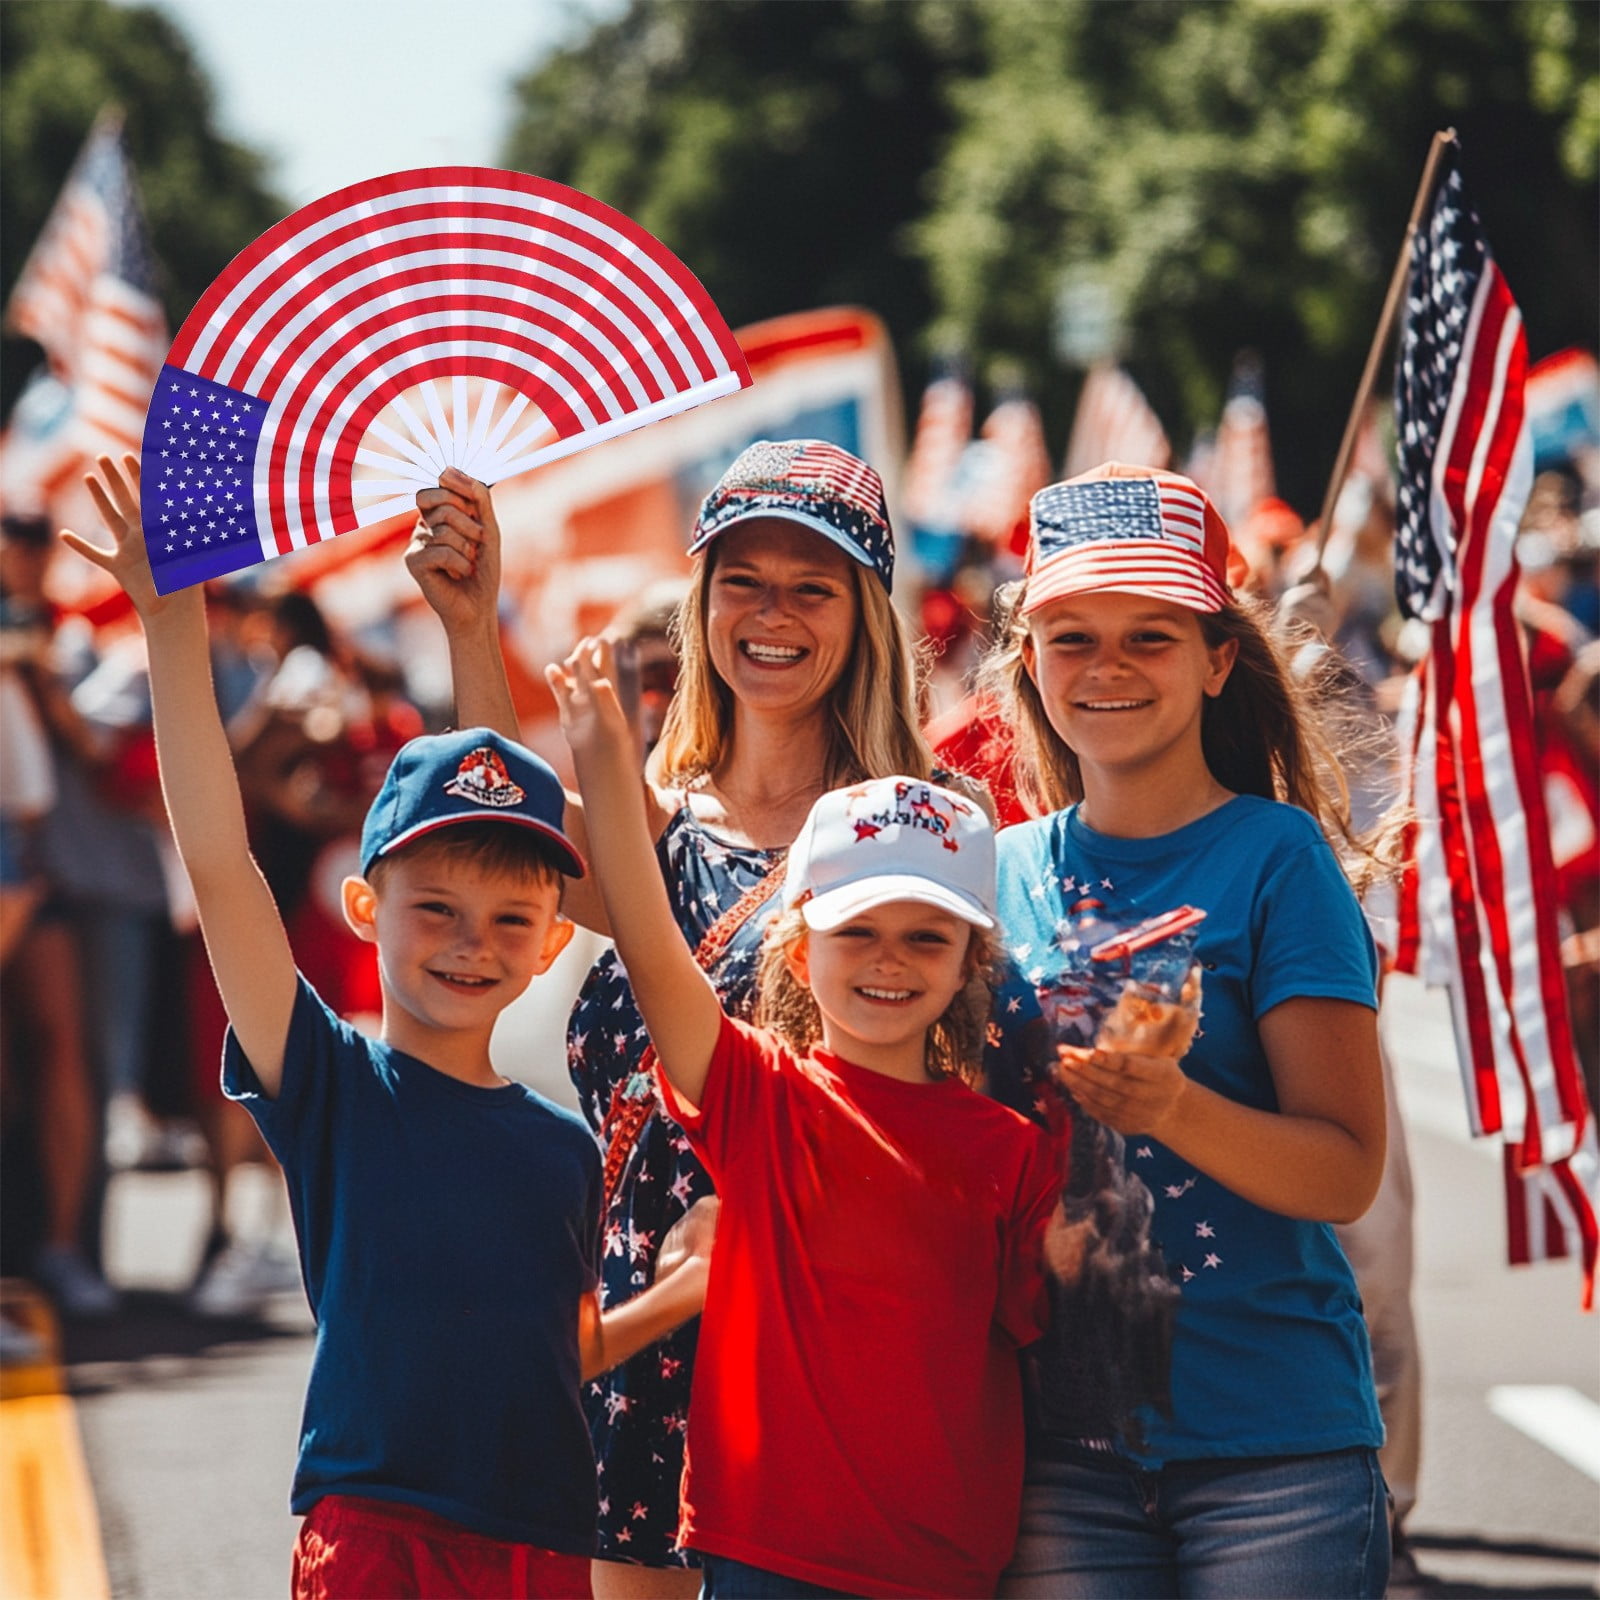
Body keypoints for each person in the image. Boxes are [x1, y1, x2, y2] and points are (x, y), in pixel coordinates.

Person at [64, 454, 713, 1600]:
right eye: (436, 909)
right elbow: (219, 866)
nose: (471, 941)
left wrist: (672, 1295)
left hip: (546, 1539)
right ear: (363, 908)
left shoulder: (565, 1146)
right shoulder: (332, 1082)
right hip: (372, 1531)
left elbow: (559, 1345)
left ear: (552, 940)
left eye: (512, 916)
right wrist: (175, 627)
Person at [408, 441, 937, 1596]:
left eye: (814, 585)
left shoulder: (913, 834)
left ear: (865, 612)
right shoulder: (663, 825)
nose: (772, 614)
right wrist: (469, 623)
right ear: (699, 603)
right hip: (630, 1317)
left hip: (807, 1333)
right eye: (742, 579)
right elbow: (509, 828)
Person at [551, 637, 1064, 1600]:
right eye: (857, 929)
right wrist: (602, 762)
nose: (890, 959)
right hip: (763, 1562)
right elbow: (653, 939)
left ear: (968, 965)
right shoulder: (754, 1094)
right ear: (796, 952)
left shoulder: (1014, 1153)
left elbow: (1052, 1348)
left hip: (945, 1572)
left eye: (927, 935)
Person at [983, 464, 1391, 1599]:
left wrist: (1172, 1106)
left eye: (1148, 637)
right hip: (1054, 1449)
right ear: (1029, 661)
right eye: (1070, 638)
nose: (1105, 668)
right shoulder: (995, 869)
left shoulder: (1281, 860)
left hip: (1277, 1450)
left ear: (1217, 657)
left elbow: (1346, 1169)